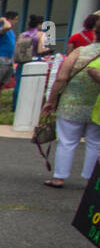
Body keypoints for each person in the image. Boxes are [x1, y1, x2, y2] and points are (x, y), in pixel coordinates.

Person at [41, 19, 100, 188]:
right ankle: (90, 179)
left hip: (72, 103)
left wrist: (51, 100)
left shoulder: (80, 52)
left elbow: (61, 77)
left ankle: (59, 177)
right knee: (95, 143)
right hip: (97, 105)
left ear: (94, 33)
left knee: (67, 141)